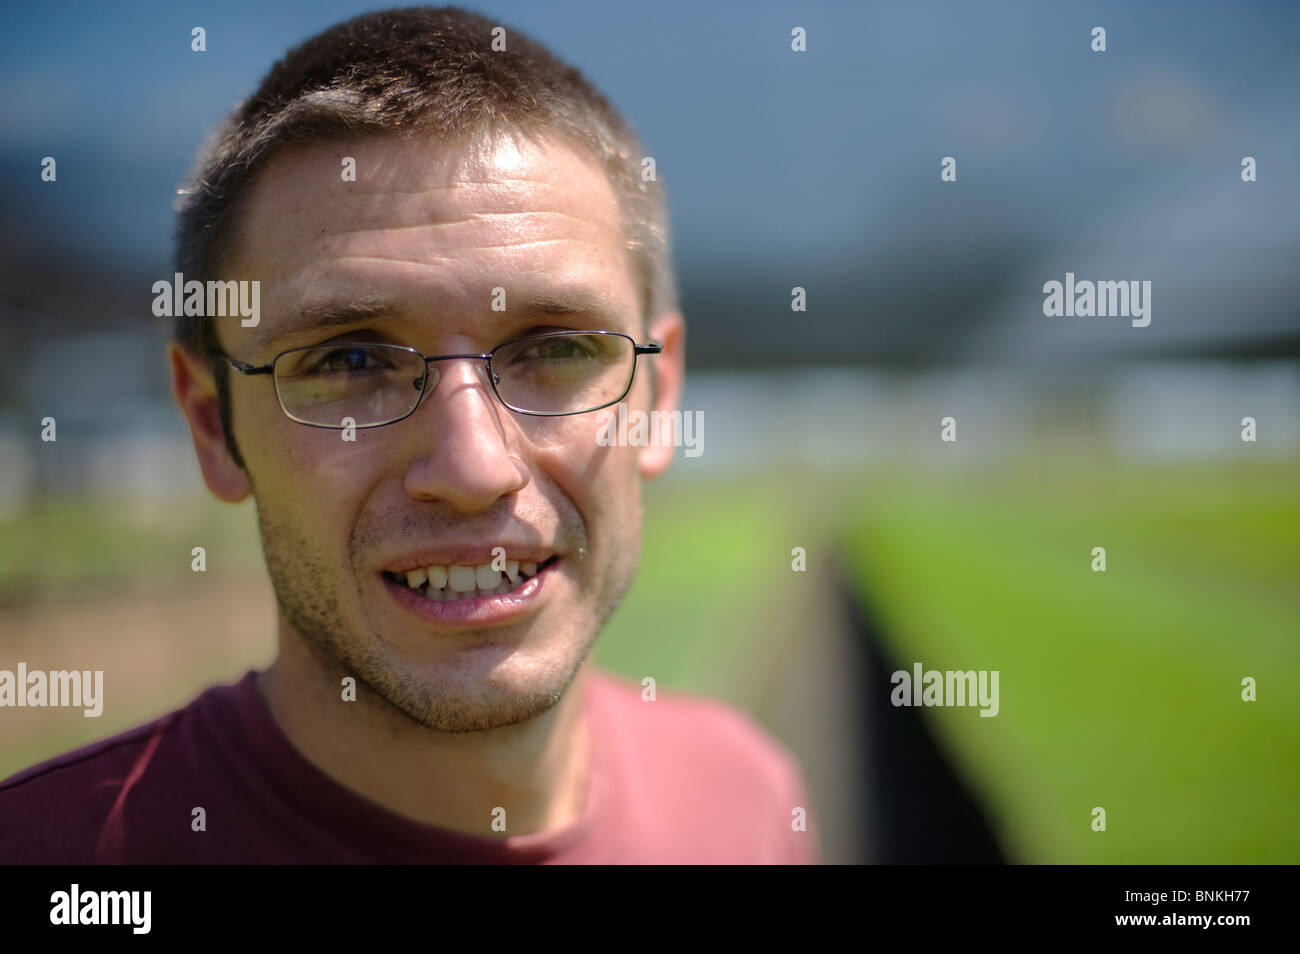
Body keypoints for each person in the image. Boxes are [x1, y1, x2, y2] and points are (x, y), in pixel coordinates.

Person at [0, 5, 820, 864]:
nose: (472, 467)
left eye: (557, 348)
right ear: (213, 423)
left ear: (657, 392)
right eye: (351, 359)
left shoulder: (745, 800)